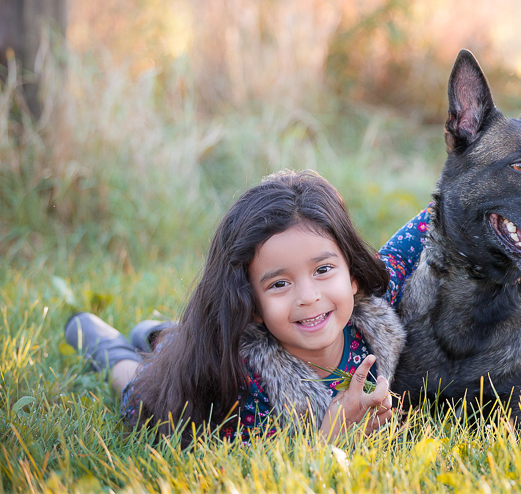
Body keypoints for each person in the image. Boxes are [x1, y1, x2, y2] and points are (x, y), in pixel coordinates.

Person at [64, 169, 430, 444]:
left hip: (198, 340)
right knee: (134, 379)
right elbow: (259, 467)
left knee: (170, 338)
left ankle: (160, 333)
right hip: (180, 376)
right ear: (251, 303)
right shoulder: (243, 382)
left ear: (352, 276)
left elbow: (439, 215)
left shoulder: (375, 306)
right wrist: (329, 438)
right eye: (279, 283)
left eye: (322, 270)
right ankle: (106, 344)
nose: (308, 296)